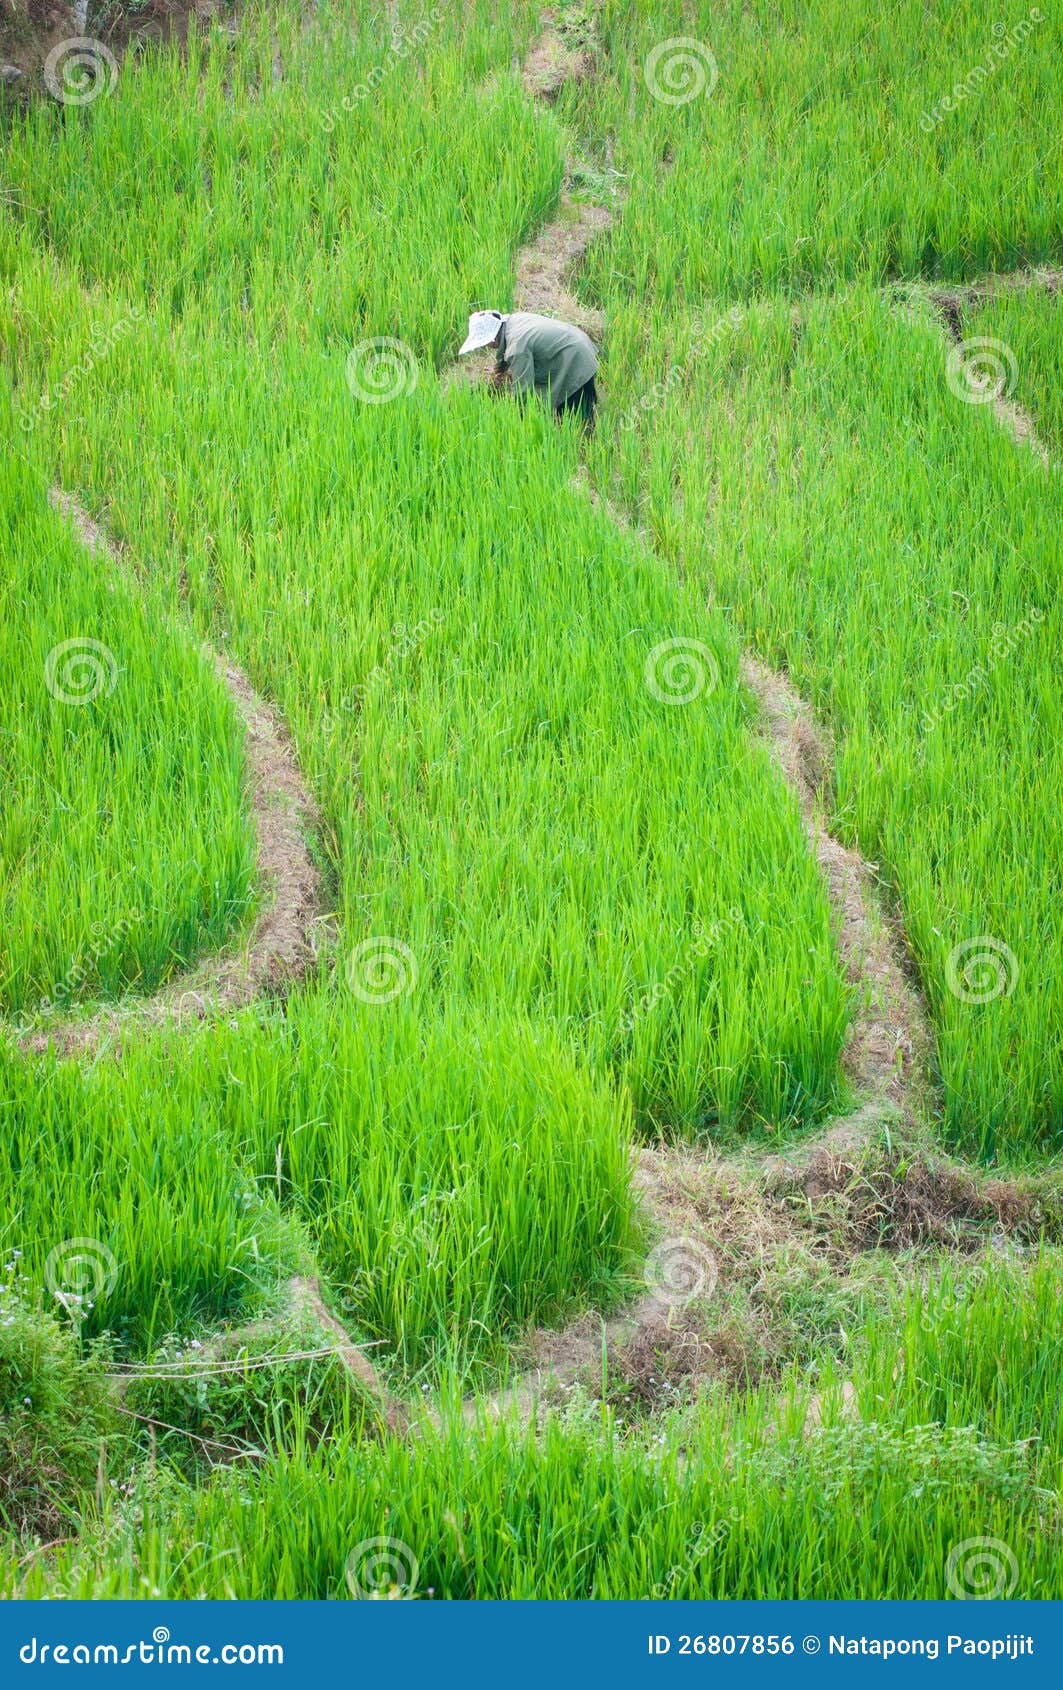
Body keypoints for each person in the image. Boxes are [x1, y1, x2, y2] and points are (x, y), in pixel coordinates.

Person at [458, 309, 598, 428]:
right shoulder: (514, 321)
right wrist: (499, 368)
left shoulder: (517, 348)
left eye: (485, 343)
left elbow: (523, 390)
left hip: (575, 358)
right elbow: (508, 348)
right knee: (582, 407)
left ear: (492, 339)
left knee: (575, 413)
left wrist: (520, 420)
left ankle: (585, 442)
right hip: (579, 342)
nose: (486, 346)